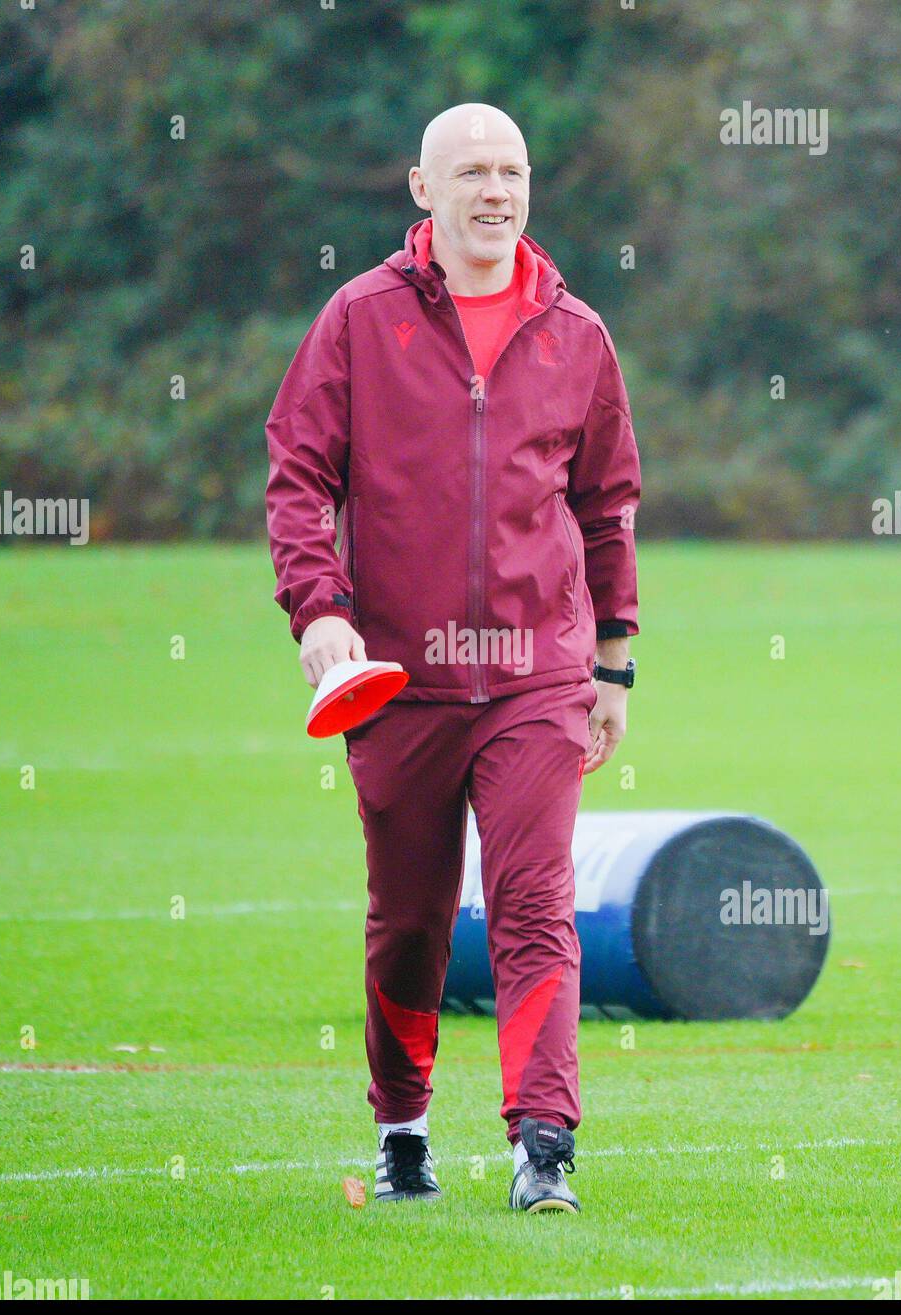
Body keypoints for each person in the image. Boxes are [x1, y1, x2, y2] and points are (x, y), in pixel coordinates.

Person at [266, 103, 640, 1213]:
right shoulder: (356, 319)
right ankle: (402, 1127)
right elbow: (297, 480)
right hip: (399, 681)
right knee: (414, 919)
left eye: (512, 170)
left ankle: (543, 1143)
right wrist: (318, 613)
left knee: (534, 905)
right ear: (422, 191)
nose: (495, 190)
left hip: (537, 673)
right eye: (470, 171)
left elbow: (608, 506)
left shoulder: (577, 332)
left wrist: (611, 662)